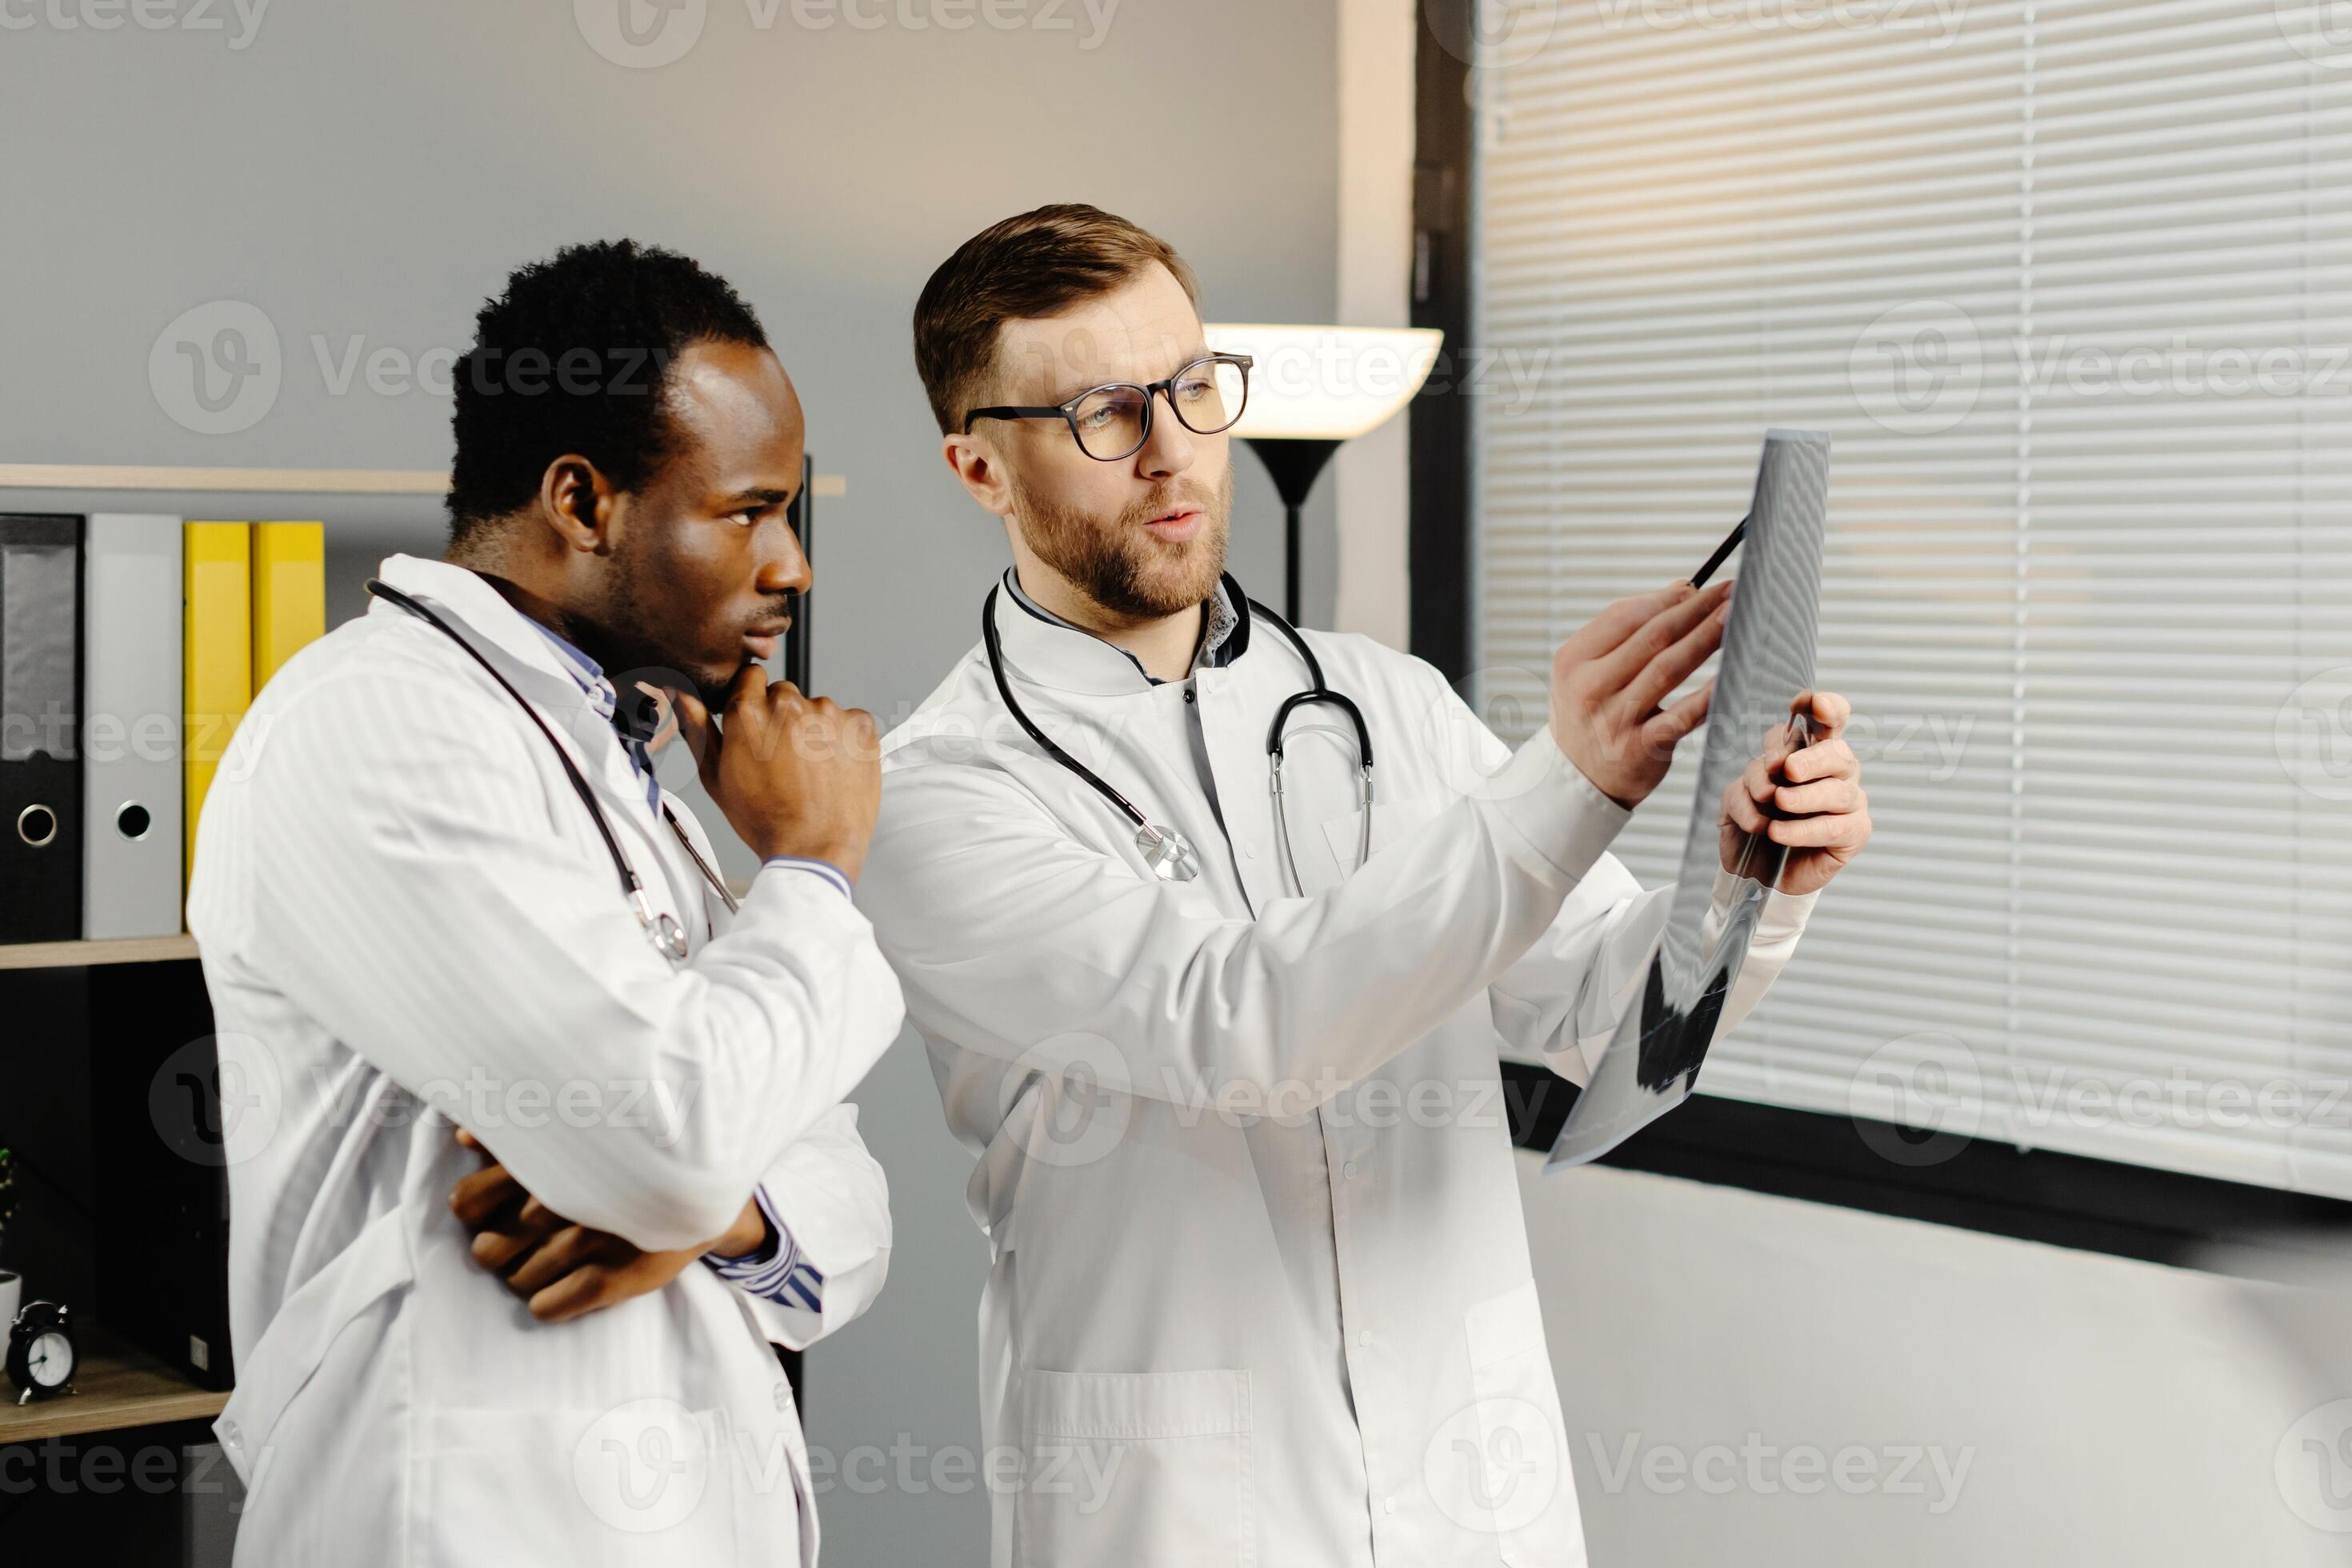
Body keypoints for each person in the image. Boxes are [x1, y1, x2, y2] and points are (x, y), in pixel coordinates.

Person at [857, 204, 1874, 1566]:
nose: (1172, 451)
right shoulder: (931, 794)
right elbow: (1239, 1028)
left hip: (1470, 1483)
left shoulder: (1382, 701)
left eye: (1193, 387)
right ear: (980, 468)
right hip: (1183, 1509)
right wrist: (1569, 783)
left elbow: (1596, 1014)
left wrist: (1754, 887)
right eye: (1105, 414)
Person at [186, 240, 902, 1566]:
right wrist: (813, 868)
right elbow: (672, 1136)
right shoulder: (380, 724)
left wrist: (728, 1218)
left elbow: (847, 1209)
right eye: (749, 512)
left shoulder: (626, 771)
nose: (792, 565)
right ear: (582, 500)